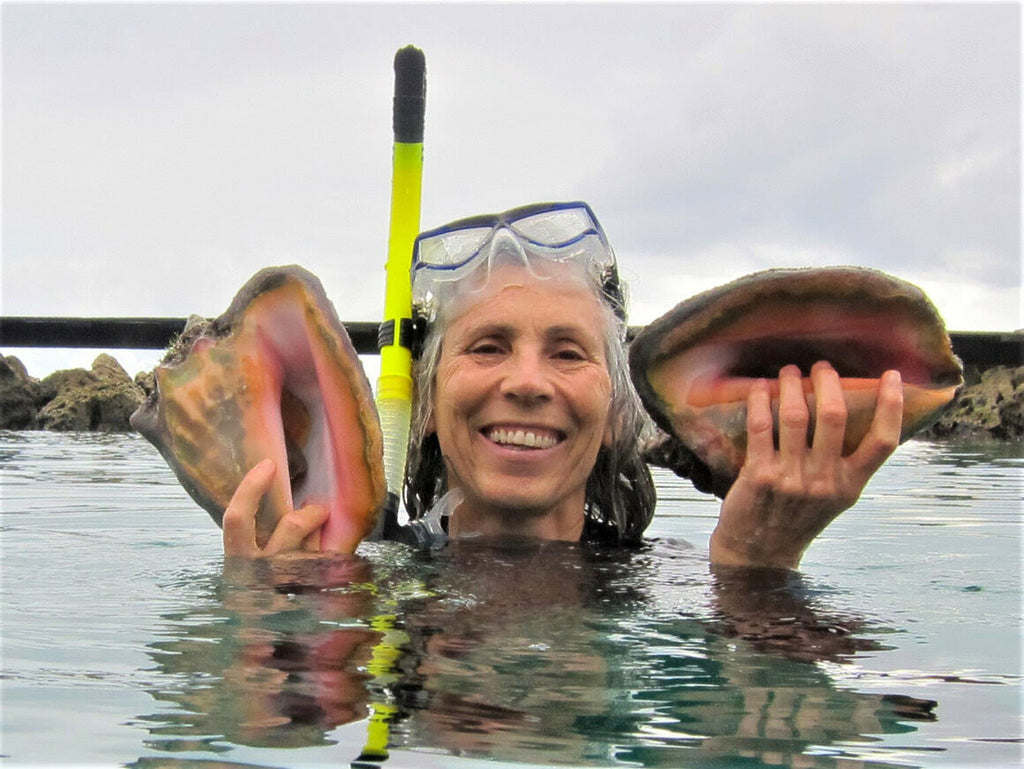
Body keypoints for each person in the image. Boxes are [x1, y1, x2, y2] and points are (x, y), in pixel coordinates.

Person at [223, 201, 904, 569]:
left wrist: (759, 567)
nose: (526, 382)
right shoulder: (351, 576)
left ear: (616, 414)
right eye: (488, 347)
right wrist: (260, 616)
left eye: (568, 353)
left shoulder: (682, 587)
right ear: (426, 407)